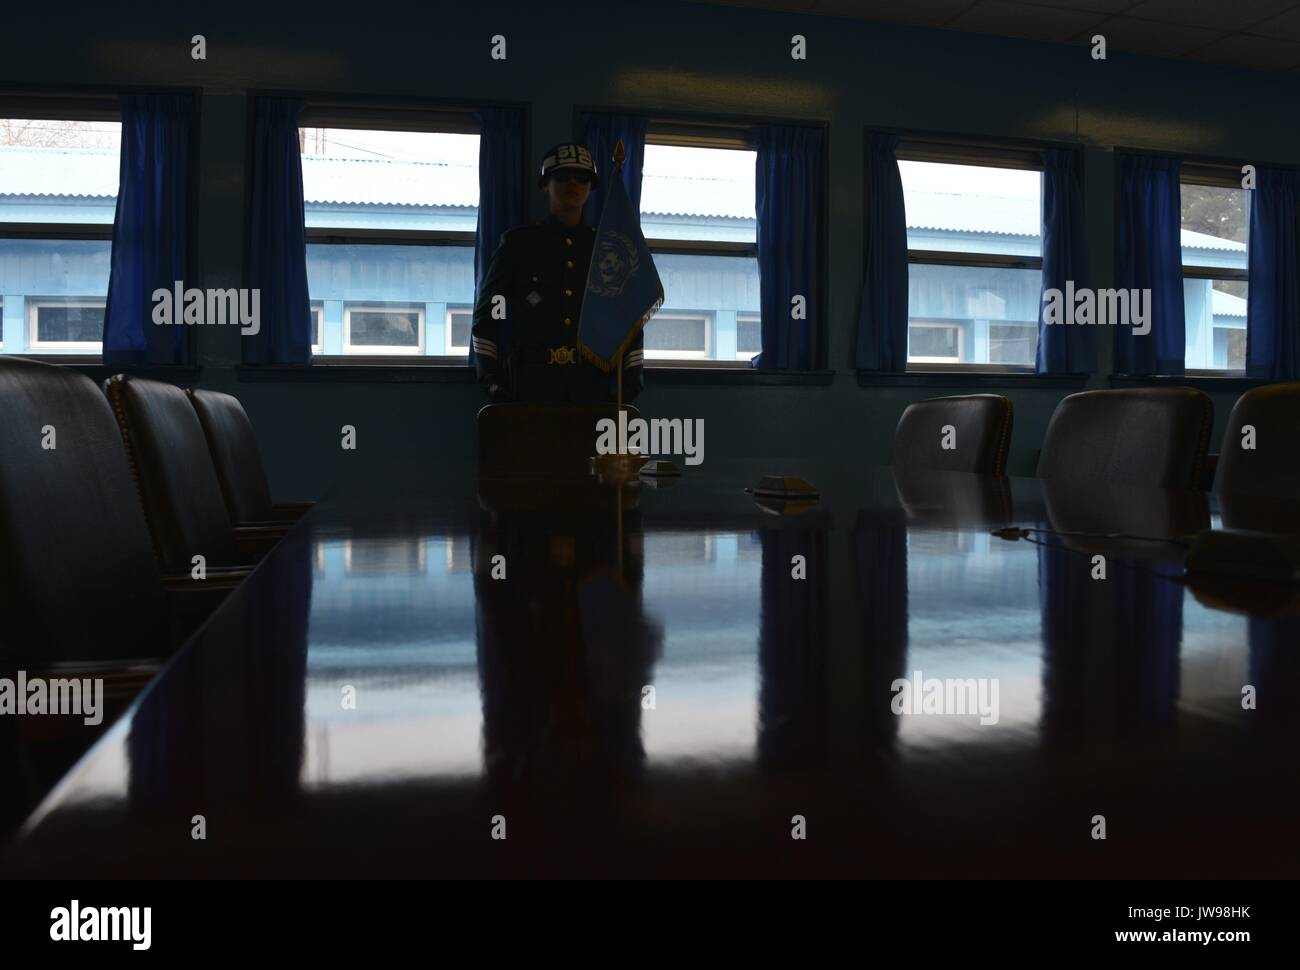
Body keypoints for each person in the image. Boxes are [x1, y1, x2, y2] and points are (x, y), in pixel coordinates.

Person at [471, 143, 644, 404]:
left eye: (582, 177)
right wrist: (492, 380)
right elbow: (494, 313)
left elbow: (627, 318)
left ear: (591, 187)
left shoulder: (606, 250)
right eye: (562, 177)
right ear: (545, 184)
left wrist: (629, 383)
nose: (572, 184)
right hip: (529, 386)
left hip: (593, 387)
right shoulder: (519, 245)